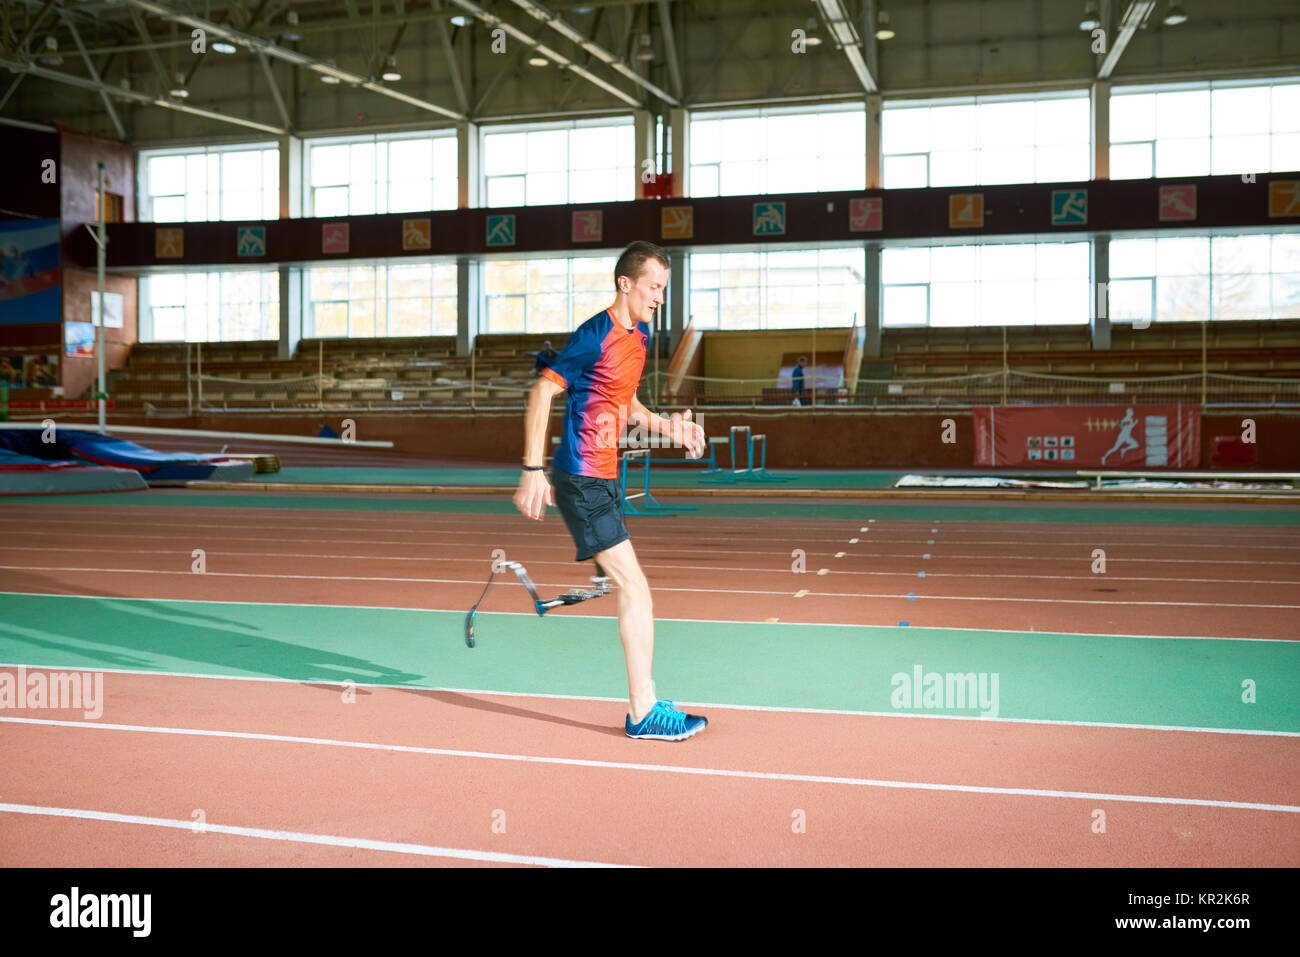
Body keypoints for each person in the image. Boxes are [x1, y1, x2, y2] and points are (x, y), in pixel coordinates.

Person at [513, 241, 709, 741]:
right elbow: (542, 391)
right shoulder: (594, 334)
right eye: (654, 287)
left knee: (630, 586)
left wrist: (669, 428)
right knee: (636, 587)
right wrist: (532, 469)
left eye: (664, 288)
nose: (660, 297)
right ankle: (643, 711)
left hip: (603, 476)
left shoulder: (638, 337)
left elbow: (627, 402)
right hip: (580, 477)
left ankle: (644, 702)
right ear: (626, 283)